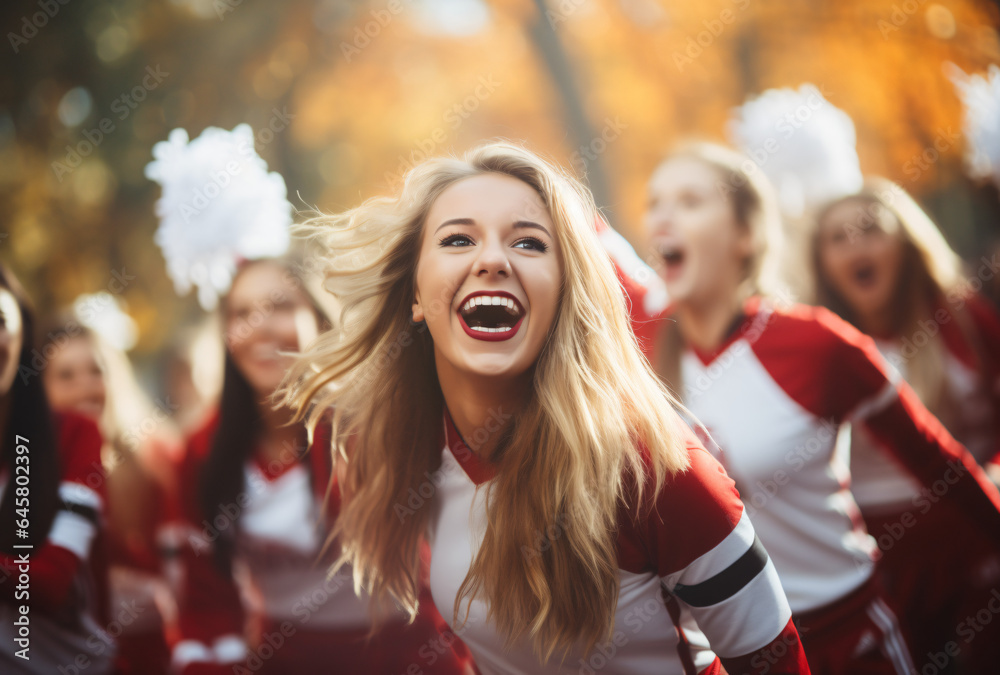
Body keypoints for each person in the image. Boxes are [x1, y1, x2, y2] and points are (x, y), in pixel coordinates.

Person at [281, 141, 810, 674]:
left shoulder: (656, 469)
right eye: (458, 239)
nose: (491, 260)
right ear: (415, 295)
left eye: (529, 244)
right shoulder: (408, 451)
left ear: (564, 292)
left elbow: (778, 664)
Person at [599, 141, 1000, 674]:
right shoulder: (643, 345)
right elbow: (584, 234)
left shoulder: (817, 343)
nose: (662, 219)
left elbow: (937, 461)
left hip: (851, 638)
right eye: (654, 204)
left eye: (690, 201)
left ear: (745, 235)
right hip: (738, 651)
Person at [164, 256, 469, 675]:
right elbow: (205, 597)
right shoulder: (203, 452)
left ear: (319, 319)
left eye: (281, 307)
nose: (260, 328)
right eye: (241, 313)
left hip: (411, 655)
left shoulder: (379, 421)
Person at [811, 179, 1000, 671]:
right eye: (837, 238)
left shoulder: (965, 318)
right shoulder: (821, 348)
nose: (855, 246)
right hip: (882, 560)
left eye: (871, 229)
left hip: (980, 532)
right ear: (821, 263)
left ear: (907, 241)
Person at [41, 308, 179, 675]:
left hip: (149, 656)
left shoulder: (151, 463)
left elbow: (183, 573)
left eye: (96, 371)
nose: (86, 386)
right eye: (65, 375)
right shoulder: (30, 481)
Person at [0, 262, 114, 673]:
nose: (85, 387)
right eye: (66, 375)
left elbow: (48, 584)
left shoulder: (73, 437)